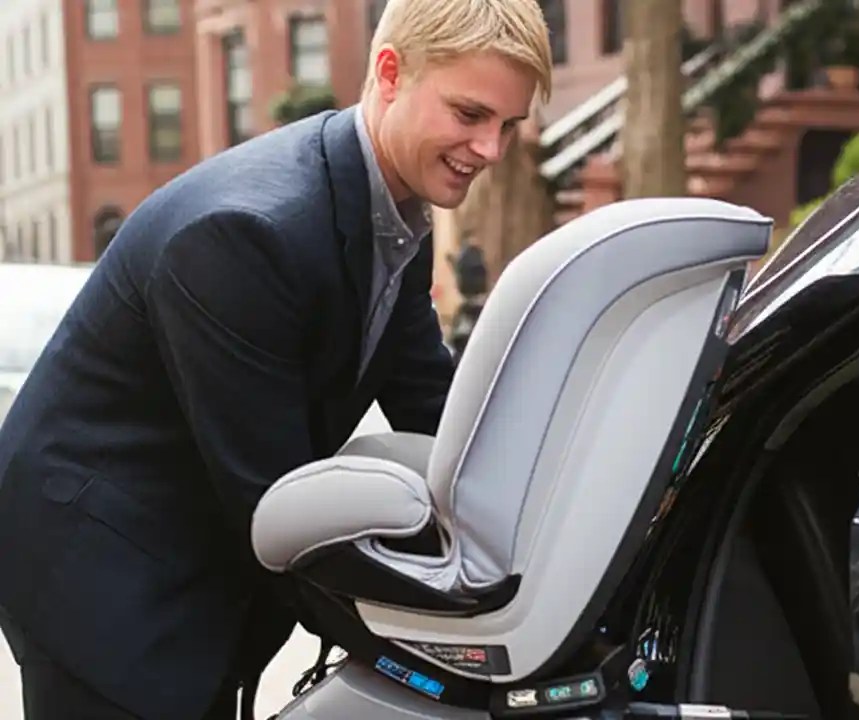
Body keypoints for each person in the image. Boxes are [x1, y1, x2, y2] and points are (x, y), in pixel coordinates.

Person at [0, 0, 552, 717]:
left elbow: (437, 408)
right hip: (101, 572)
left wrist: (551, 519)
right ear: (390, 74)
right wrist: (449, 625)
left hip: (189, 553)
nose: (491, 149)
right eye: (470, 114)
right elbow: (274, 499)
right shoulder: (245, 233)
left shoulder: (393, 213)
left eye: (508, 125)